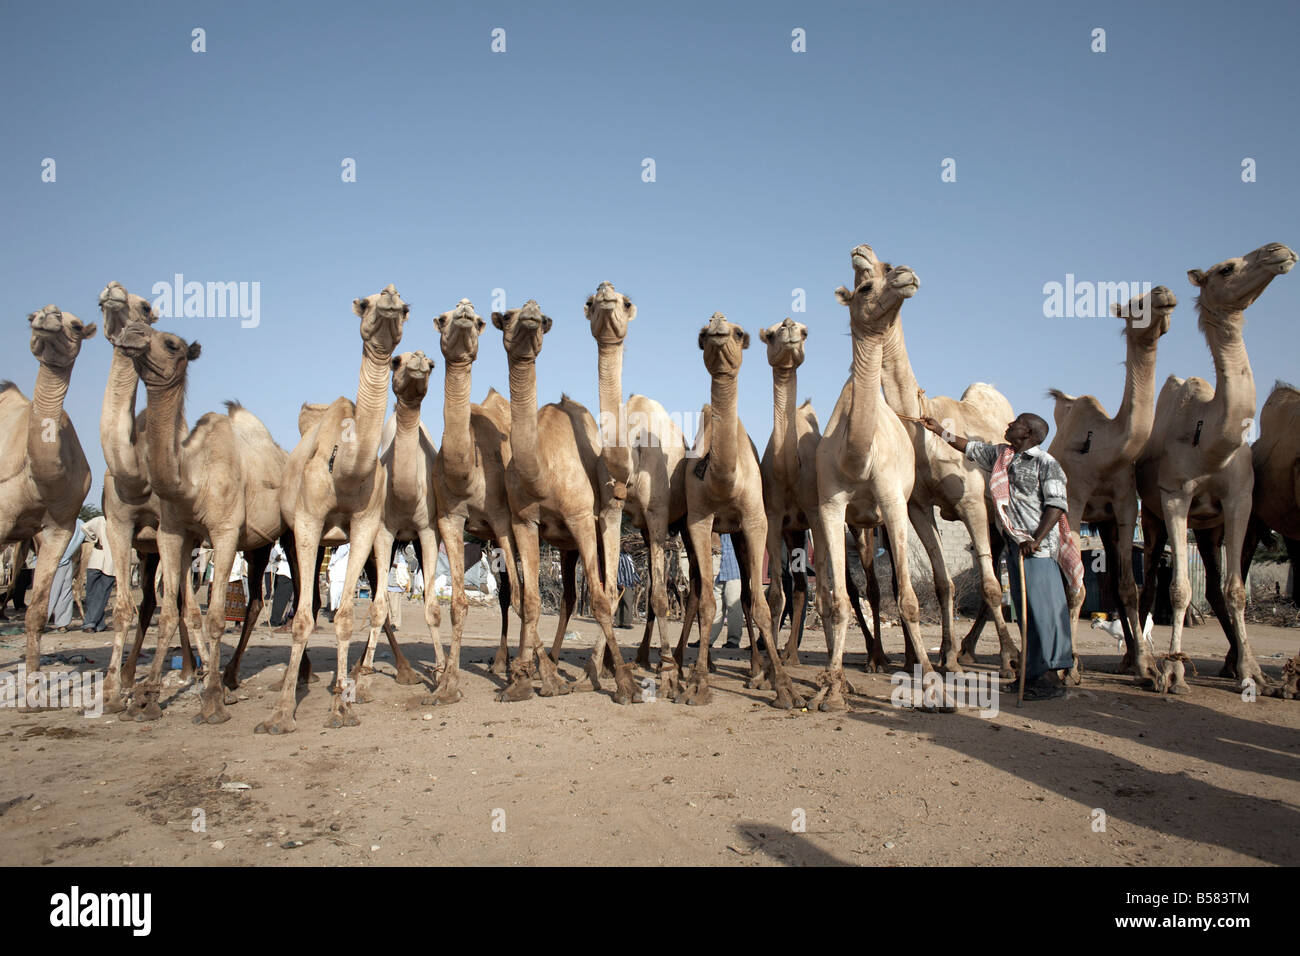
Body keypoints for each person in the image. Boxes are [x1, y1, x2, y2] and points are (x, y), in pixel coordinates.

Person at [922, 411, 1082, 700]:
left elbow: (1056, 506)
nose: (1009, 425)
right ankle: (1032, 674)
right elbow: (968, 447)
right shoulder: (1002, 456)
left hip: (1039, 552)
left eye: (1017, 423)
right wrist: (937, 430)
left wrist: (1037, 539)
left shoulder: (1047, 465)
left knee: (1044, 614)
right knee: (1025, 614)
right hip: (1017, 548)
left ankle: (1051, 678)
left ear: (1029, 434)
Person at [693, 533, 743, 649]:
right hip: (722, 569)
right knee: (716, 606)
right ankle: (708, 639)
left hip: (734, 570)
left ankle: (733, 641)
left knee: (733, 606)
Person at [47, 520, 87, 631]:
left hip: (51, 560)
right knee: (65, 592)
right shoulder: (81, 524)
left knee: (50, 592)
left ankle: (41, 621)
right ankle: (62, 624)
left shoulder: (55, 522)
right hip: (67, 560)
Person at [80, 514, 116, 632]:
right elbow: (84, 527)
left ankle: (97, 624)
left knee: (96, 594)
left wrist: (94, 538)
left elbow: (85, 527)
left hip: (99, 559)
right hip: (107, 561)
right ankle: (90, 624)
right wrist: (95, 539)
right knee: (99, 594)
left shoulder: (99, 520)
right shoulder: (115, 521)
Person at [268, 540, 294, 630]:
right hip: (281, 573)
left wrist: (281, 556)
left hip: (288, 575)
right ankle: (275, 619)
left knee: (282, 599)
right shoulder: (281, 546)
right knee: (278, 598)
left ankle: (276, 620)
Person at [615, 551, 639, 628]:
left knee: (623, 603)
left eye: (629, 545)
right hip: (625, 583)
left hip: (631, 583)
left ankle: (619, 622)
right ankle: (626, 623)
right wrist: (620, 582)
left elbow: (633, 570)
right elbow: (619, 570)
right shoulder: (620, 557)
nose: (628, 547)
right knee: (627, 603)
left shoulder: (629, 556)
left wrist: (637, 580)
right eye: (626, 545)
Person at [327, 543, 350, 621]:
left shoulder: (346, 547)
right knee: (334, 596)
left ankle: (337, 613)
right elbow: (330, 566)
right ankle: (333, 612)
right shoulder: (335, 552)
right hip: (335, 577)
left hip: (343, 577)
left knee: (340, 597)